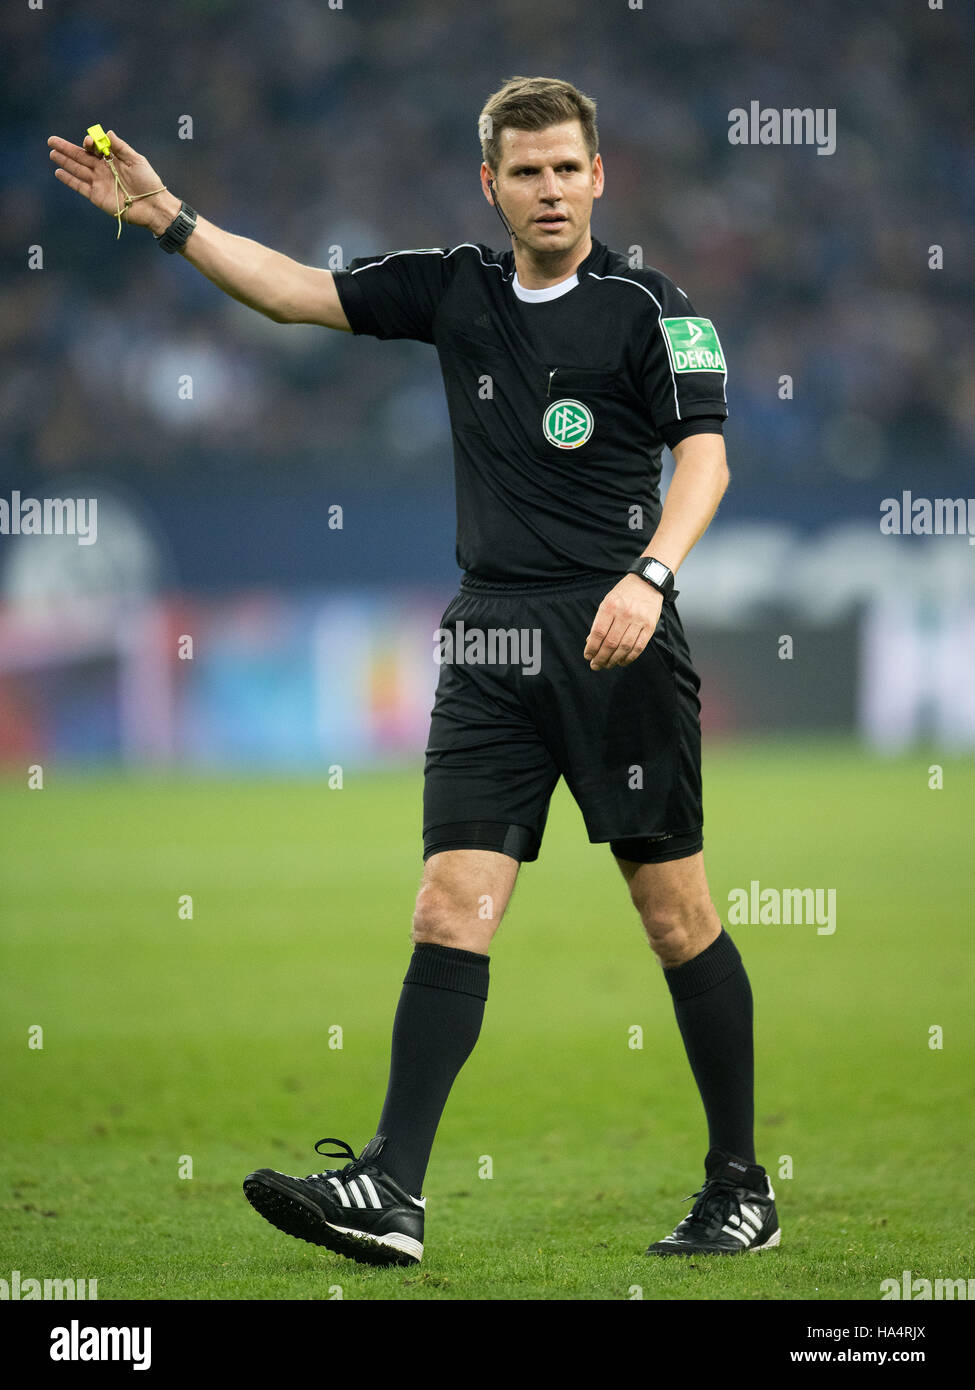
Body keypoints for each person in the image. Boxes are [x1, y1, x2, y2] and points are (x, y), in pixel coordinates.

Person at [48, 74, 779, 1268]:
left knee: (674, 912)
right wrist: (173, 217)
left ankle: (741, 1183)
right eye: (525, 170)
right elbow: (296, 295)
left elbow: (706, 459)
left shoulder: (658, 311)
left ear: (601, 176)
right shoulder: (454, 286)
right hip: (488, 640)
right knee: (450, 902)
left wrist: (649, 577)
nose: (548, 189)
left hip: (613, 635)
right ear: (489, 184)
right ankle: (392, 1188)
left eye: (567, 168)